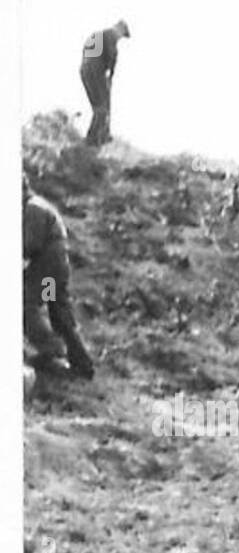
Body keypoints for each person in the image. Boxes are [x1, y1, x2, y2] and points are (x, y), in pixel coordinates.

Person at [22, 174, 95, 379]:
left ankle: (51, 349)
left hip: (48, 274)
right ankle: (82, 364)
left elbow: (29, 244)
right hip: (53, 272)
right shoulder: (37, 206)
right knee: (59, 313)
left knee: (26, 304)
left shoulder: (33, 209)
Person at [80, 20, 131, 147]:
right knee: (102, 109)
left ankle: (99, 137)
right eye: (122, 35)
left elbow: (86, 52)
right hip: (96, 70)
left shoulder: (97, 35)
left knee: (98, 108)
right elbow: (111, 56)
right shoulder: (110, 35)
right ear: (119, 29)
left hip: (84, 69)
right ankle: (92, 141)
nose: (120, 38)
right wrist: (110, 75)